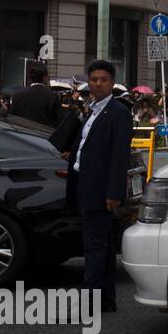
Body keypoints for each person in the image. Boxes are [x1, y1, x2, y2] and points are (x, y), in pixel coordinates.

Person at [65, 60, 133, 313]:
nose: (98, 84)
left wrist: (114, 193)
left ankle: (89, 303)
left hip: (101, 190)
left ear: (112, 83)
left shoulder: (118, 112)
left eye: (103, 79)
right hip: (84, 185)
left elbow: (119, 156)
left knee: (94, 248)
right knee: (102, 246)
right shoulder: (92, 111)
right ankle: (105, 300)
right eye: (94, 79)